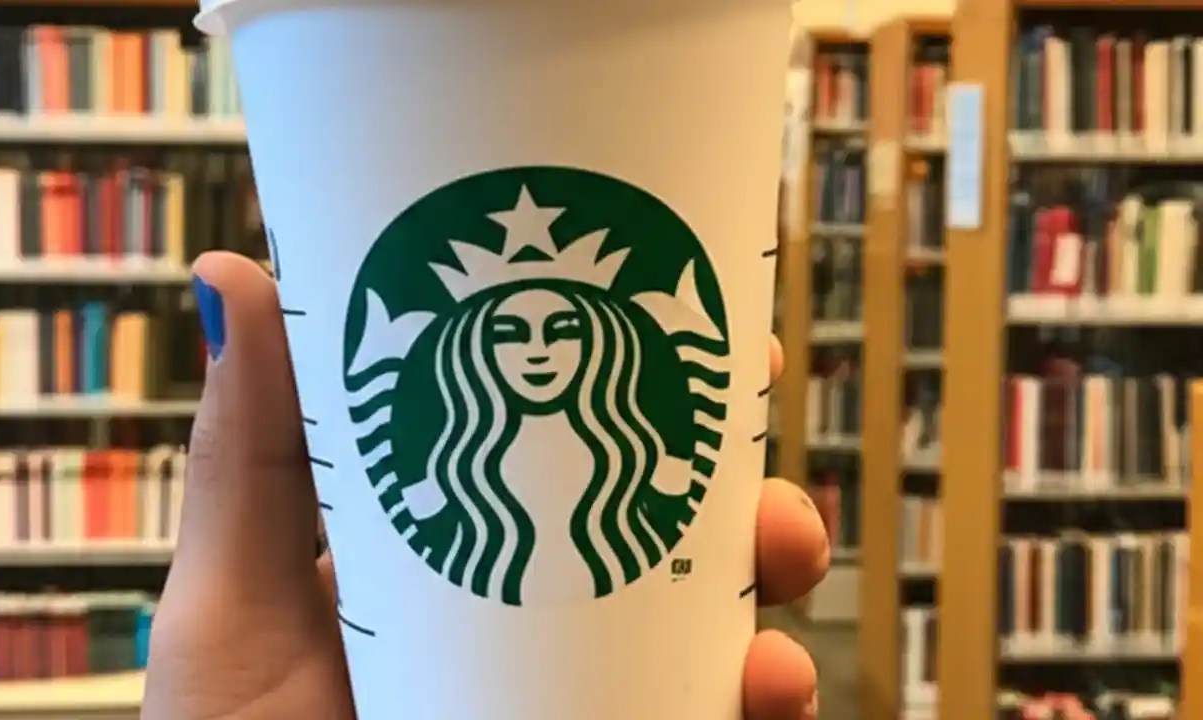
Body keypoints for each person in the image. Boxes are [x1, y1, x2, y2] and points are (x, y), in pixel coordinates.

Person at [141, 251, 829, 720]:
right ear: (472, 347)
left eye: (561, 329)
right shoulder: (447, 484)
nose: (536, 350)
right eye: (510, 332)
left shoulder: (646, 468)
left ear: (599, 343)